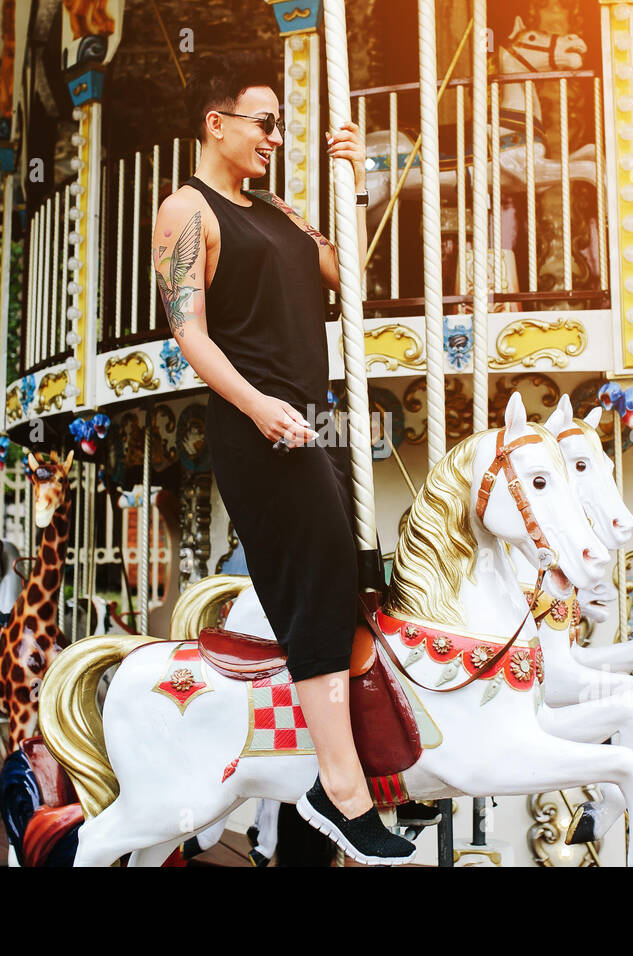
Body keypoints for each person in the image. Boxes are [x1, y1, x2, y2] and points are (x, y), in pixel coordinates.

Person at [150, 60, 416, 864]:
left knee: (364, 570)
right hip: (258, 424)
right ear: (215, 124)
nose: (273, 136)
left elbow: (351, 281)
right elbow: (188, 333)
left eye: (278, 125)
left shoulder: (278, 210)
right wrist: (259, 406)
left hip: (316, 418)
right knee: (325, 573)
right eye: (262, 122)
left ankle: (335, 784)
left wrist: (353, 176)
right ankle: (341, 793)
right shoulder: (184, 212)